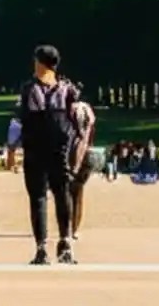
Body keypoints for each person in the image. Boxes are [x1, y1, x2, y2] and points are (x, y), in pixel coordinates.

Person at [10, 44, 81, 266]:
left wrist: (11, 148)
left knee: (38, 197)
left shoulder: (29, 89)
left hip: (35, 148)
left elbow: (17, 119)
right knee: (62, 195)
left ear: (40, 62)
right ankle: (65, 242)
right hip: (59, 149)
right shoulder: (68, 90)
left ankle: (41, 247)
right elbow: (78, 121)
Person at [68, 100, 97, 240]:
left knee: (67, 194)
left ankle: (68, 227)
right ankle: (74, 228)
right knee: (78, 195)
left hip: (69, 156)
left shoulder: (67, 111)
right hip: (83, 156)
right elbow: (91, 136)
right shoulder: (88, 114)